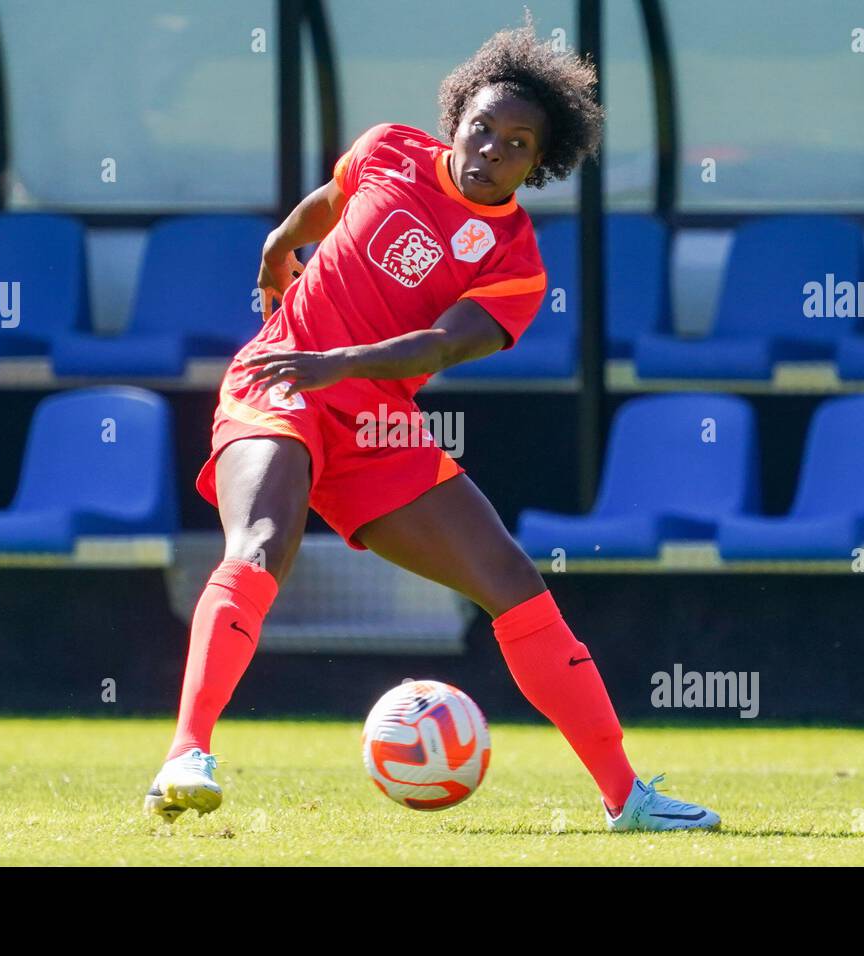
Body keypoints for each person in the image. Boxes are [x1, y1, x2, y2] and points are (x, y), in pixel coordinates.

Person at [146, 21, 720, 832]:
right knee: (263, 541)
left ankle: (627, 796)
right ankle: (186, 753)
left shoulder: (516, 262)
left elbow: (444, 342)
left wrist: (339, 363)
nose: (491, 149)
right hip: (280, 382)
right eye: (482, 126)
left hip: (373, 416)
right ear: (457, 116)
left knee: (513, 583)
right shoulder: (390, 148)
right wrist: (281, 246)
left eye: (517, 144)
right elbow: (336, 198)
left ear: (539, 165)